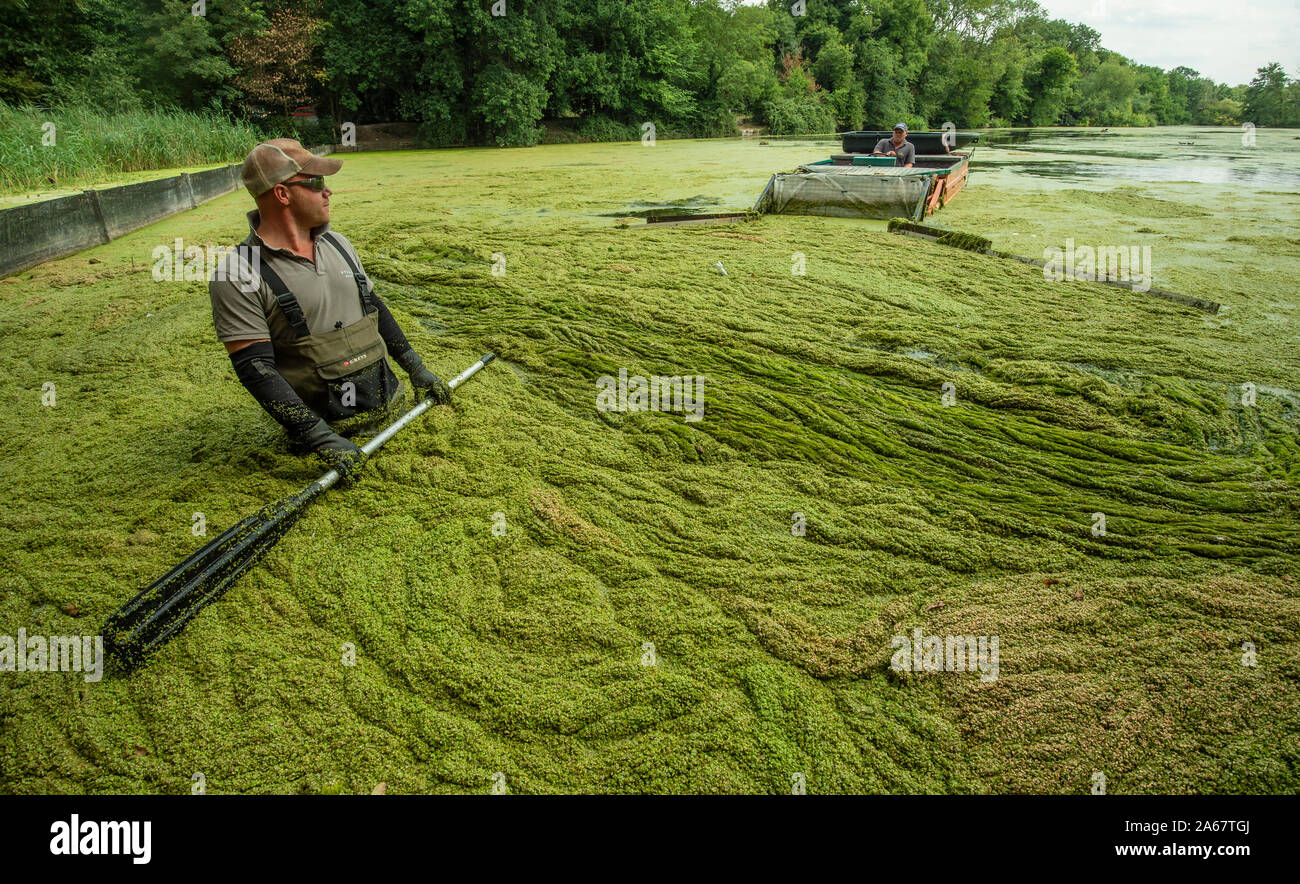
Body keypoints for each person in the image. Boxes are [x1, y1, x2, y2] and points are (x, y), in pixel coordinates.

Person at [209, 138, 451, 483]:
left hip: (398, 412)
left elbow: (374, 307)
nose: (329, 192)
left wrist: (417, 369)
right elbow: (255, 369)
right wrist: (323, 441)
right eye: (316, 182)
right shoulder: (238, 274)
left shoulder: (339, 244)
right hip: (330, 444)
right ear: (282, 194)